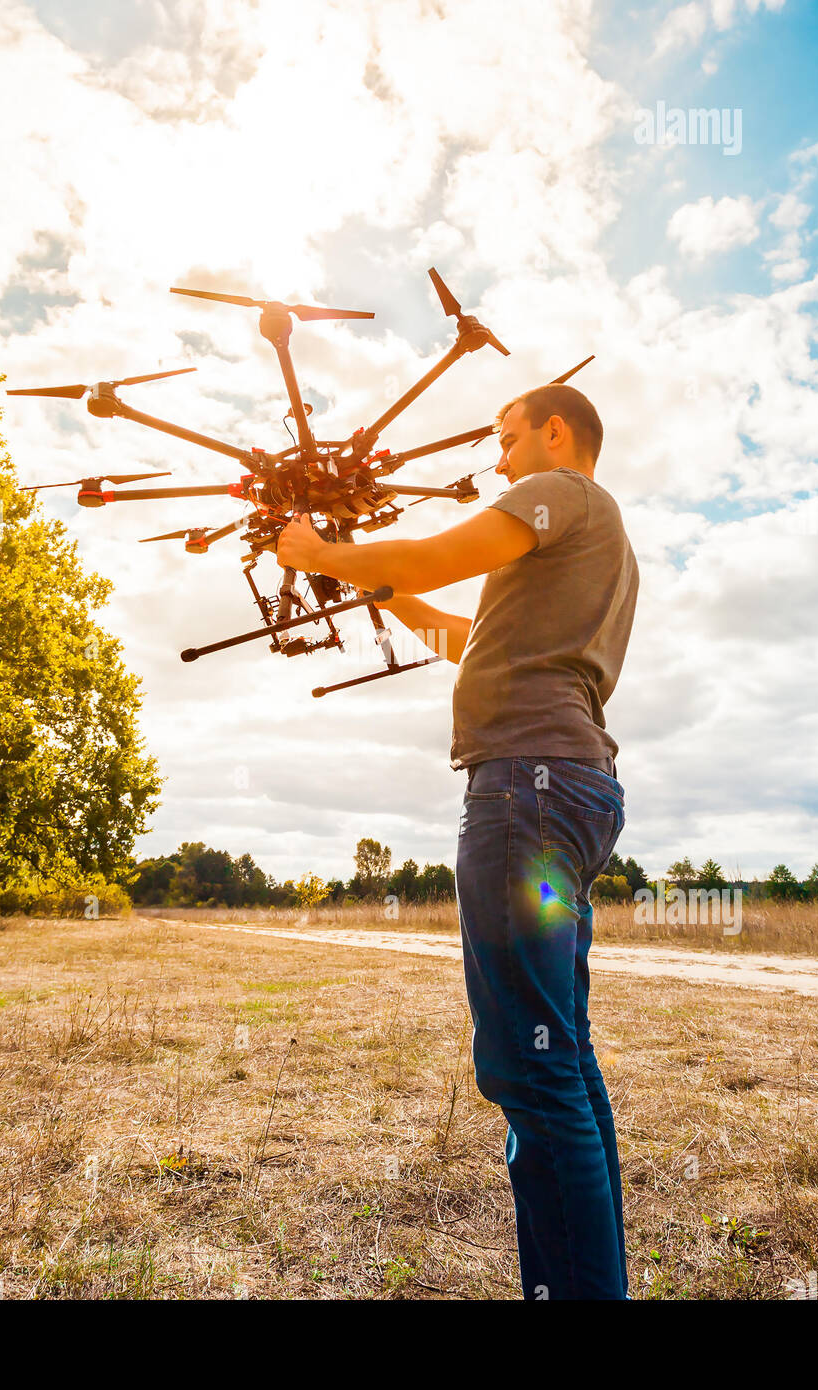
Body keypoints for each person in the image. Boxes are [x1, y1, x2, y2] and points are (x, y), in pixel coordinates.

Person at [276, 382, 639, 1300]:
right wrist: (367, 578)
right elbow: (460, 634)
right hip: (565, 790)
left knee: (528, 1063)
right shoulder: (594, 542)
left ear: (558, 432)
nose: (500, 457)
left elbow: (439, 556)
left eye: (508, 438)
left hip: (527, 791)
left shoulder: (566, 495)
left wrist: (323, 548)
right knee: (561, 1052)